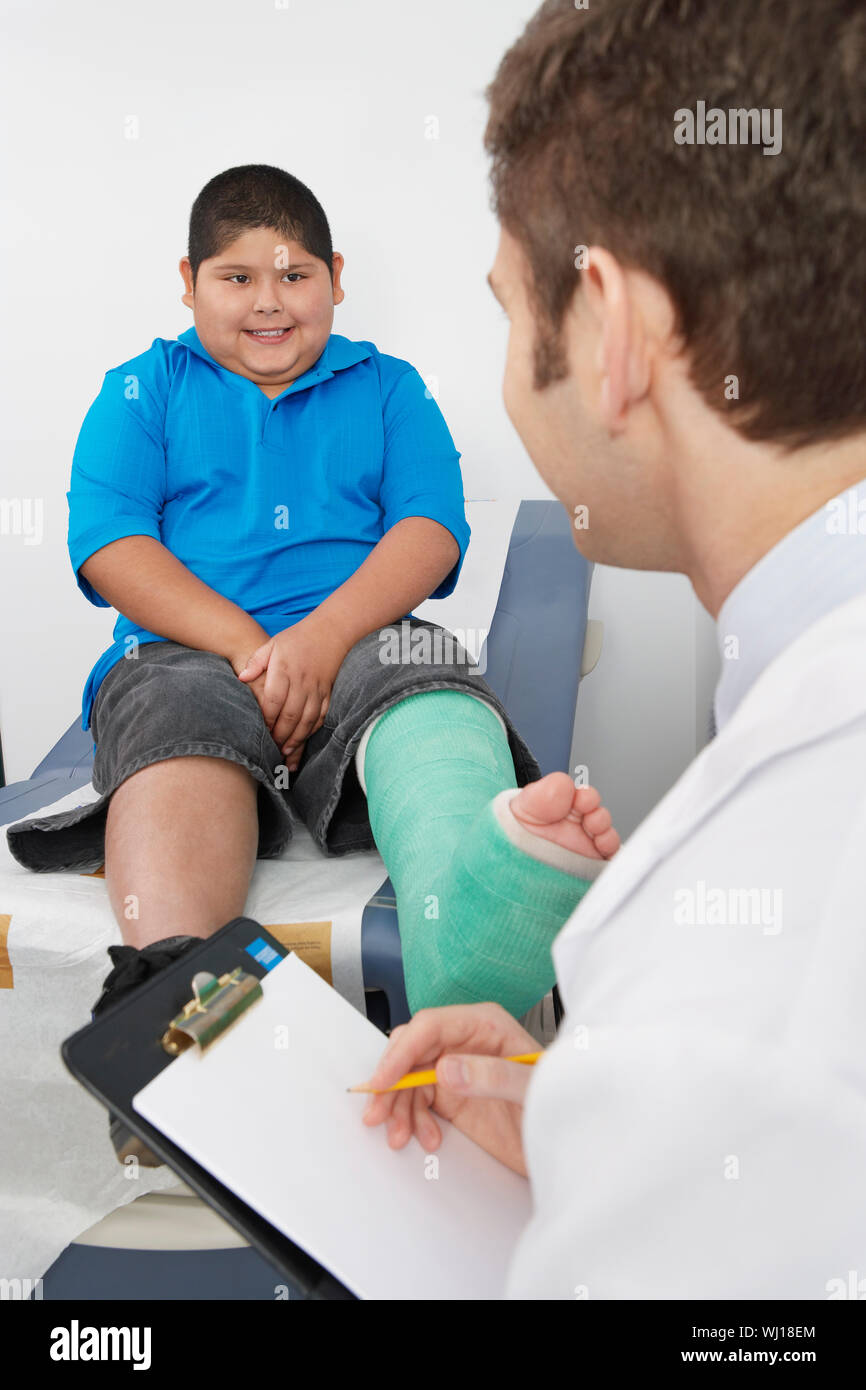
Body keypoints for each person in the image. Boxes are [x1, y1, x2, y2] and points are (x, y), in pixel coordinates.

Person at [360, 0, 866, 1299]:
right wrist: (591, 1123)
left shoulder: (736, 996)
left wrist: (650, 1107)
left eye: (502, 309)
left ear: (611, 332)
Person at [5, 162, 620, 1164]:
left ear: (335, 276)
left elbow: (428, 529)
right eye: (235, 278)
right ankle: (176, 1004)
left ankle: (467, 931)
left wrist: (320, 641)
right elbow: (111, 542)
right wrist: (251, 646)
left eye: (292, 276)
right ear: (187, 282)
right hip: (193, 653)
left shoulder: (386, 387)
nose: (267, 302)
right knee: (174, 728)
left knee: (426, 680)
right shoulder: (142, 390)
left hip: (357, 637)